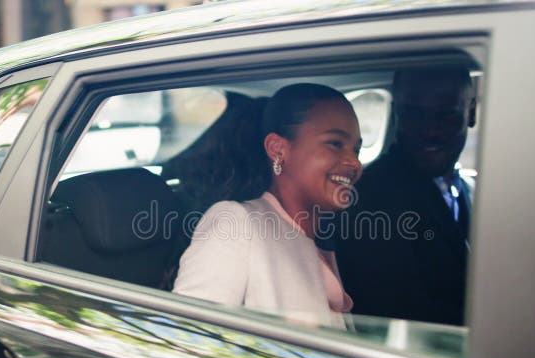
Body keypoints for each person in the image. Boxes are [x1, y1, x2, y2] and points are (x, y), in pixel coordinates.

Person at [173, 83, 363, 328]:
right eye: (335, 143)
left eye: (356, 149)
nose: (354, 162)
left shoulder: (320, 237)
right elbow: (187, 338)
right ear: (278, 149)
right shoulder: (236, 223)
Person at [337, 64, 477, 325]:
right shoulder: (370, 199)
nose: (430, 131)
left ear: (471, 113)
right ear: (398, 114)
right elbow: (395, 315)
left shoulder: (466, 189)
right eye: (414, 114)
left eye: (446, 115)